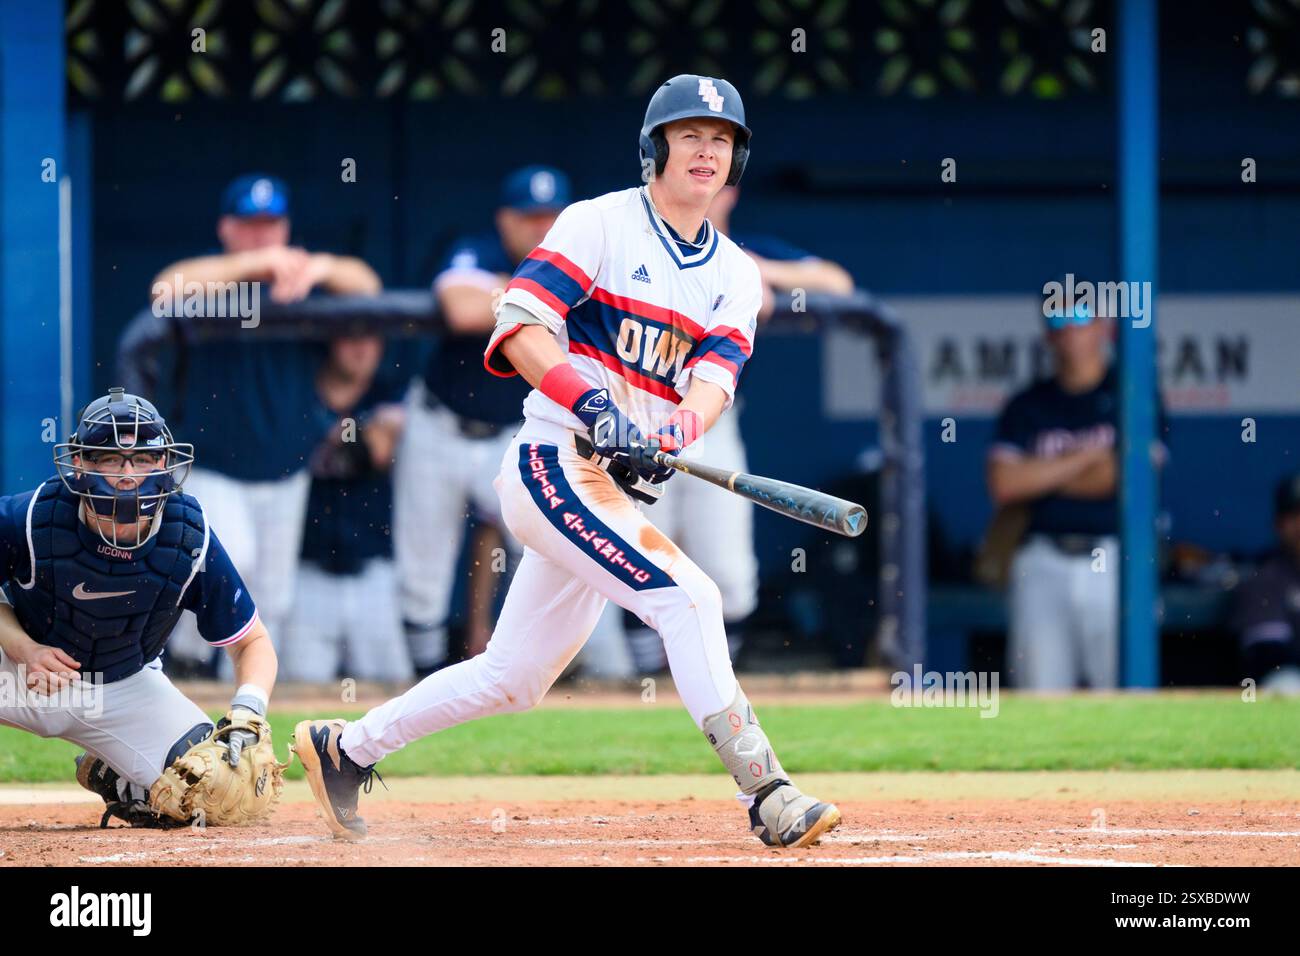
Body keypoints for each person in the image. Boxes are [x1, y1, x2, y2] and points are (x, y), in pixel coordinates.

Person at [292, 74, 842, 850]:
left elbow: (713, 384)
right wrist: (595, 407)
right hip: (556, 462)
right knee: (690, 596)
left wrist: (676, 429)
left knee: (513, 679)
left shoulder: (738, 274)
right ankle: (769, 791)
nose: (705, 152)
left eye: (721, 141)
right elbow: (517, 326)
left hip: (620, 488)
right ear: (655, 147)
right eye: (689, 135)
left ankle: (343, 749)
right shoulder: (599, 224)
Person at [0, 389, 279, 827]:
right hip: (18, 676)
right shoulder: (30, 517)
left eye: (143, 458)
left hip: (124, 687)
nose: (127, 475)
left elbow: (253, 642)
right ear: (81, 464)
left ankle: (119, 775)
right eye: (111, 458)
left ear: (164, 465)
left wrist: (248, 710)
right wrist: (20, 647)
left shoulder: (189, 537)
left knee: (223, 791)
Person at [614, 183, 856, 672]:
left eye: (718, 185)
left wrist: (749, 270)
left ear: (731, 193)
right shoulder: (639, 244)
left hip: (708, 419)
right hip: (635, 419)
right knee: (636, 567)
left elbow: (838, 283)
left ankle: (715, 688)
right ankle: (646, 698)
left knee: (729, 575)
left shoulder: (744, 256)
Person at [153, 174, 381, 675]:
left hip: (285, 466)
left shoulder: (303, 285)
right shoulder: (212, 281)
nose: (262, 235)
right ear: (226, 228)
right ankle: (188, 673)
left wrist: (315, 264)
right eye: (250, 225)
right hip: (212, 465)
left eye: (271, 225)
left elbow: (367, 285)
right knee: (225, 567)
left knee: (271, 600)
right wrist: (257, 263)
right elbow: (165, 288)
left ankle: (248, 709)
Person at [986, 298, 1166, 690]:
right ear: (1047, 333)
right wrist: (1086, 457)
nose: (1069, 328)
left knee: (1123, 690)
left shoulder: (1133, 396)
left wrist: (1041, 475)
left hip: (1115, 557)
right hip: (1041, 558)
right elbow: (1005, 484)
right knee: (1040, 694)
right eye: (1058, 318)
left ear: (1105, 326)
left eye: (1081, 317)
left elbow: (1123, 478)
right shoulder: (1027, 404)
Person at [281, 334, 412, 683]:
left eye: (371, 337)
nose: (361, 346)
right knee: (298, 690)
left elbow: (377, 451)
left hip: (374, 575)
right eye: (350, 337)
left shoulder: (388, 391)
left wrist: (341, 435)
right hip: (305, 575)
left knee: (394, 694)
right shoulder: (296, 393)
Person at [1232, 474, 1300, 694]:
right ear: (1278, 524)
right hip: (1288, 685)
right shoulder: (1266, 580)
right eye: (1294, 515)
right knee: (1287, 684)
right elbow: (1269, 657)